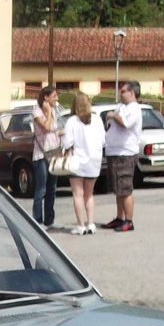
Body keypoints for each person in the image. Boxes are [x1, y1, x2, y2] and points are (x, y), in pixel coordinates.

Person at [60, 92, 105, 235]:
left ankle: (80, 225)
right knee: (89, 194)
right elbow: (103, 140)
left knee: (77, 194)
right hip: (94, 160)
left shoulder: (72, 121)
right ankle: (91, 223)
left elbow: (68, 142)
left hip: (77, 160)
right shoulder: (97, 119)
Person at [103, 81, 143, 232]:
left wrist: (114, 116)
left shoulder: (134, 109)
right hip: (115, 151)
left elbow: (125, 124)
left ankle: (129, 220)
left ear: (132, 92)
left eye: (123, 91)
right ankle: (119, 217)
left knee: (125, 188)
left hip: (125, 153)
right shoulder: (121, 107)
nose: (121, 94)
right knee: (117, 188)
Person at [31, 86, 61, 228]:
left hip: (53, 152)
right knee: (41, 189)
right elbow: (46, 127)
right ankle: (37, 220)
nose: (57, 99)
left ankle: (50, 220)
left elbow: (54, 129)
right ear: (46, 98)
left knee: (52, 188)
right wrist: (48, 112)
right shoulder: (37, 112)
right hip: (41, 155)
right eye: (54, 96)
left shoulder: (54, 111)